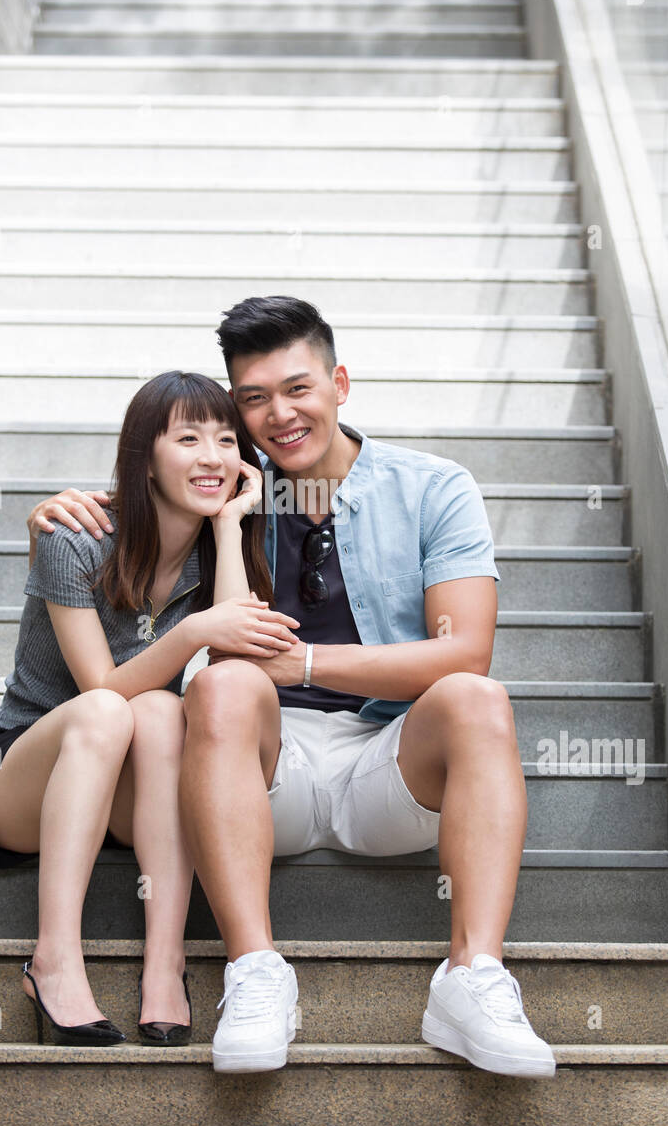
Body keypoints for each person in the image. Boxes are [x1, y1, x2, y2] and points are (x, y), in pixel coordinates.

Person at [30, 298, 556, 1078]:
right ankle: (253, 971)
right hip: (261, 768)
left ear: (339, 383)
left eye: (298, 389)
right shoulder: (232, 493)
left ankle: (473, 977)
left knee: (479, 699)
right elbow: (144, 504)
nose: (279, 415)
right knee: (223, 687)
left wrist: (307, 664)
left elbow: (466, 652)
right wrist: (59, 510)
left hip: (393, 762)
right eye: (253, 399)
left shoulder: (432, 488)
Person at [0, 370, 301, 1046]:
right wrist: (193, 632)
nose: (213, 456)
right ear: (145, 457)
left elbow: (235, 667)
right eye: (189, 438)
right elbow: (99, 687)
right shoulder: (74, 537)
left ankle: (164, 965)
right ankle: (53, 960)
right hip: (28, 770)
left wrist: (231, 528)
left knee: (156, 714)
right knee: (117, 711)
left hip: (128, 780)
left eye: (228, 440)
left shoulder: (214, 550)